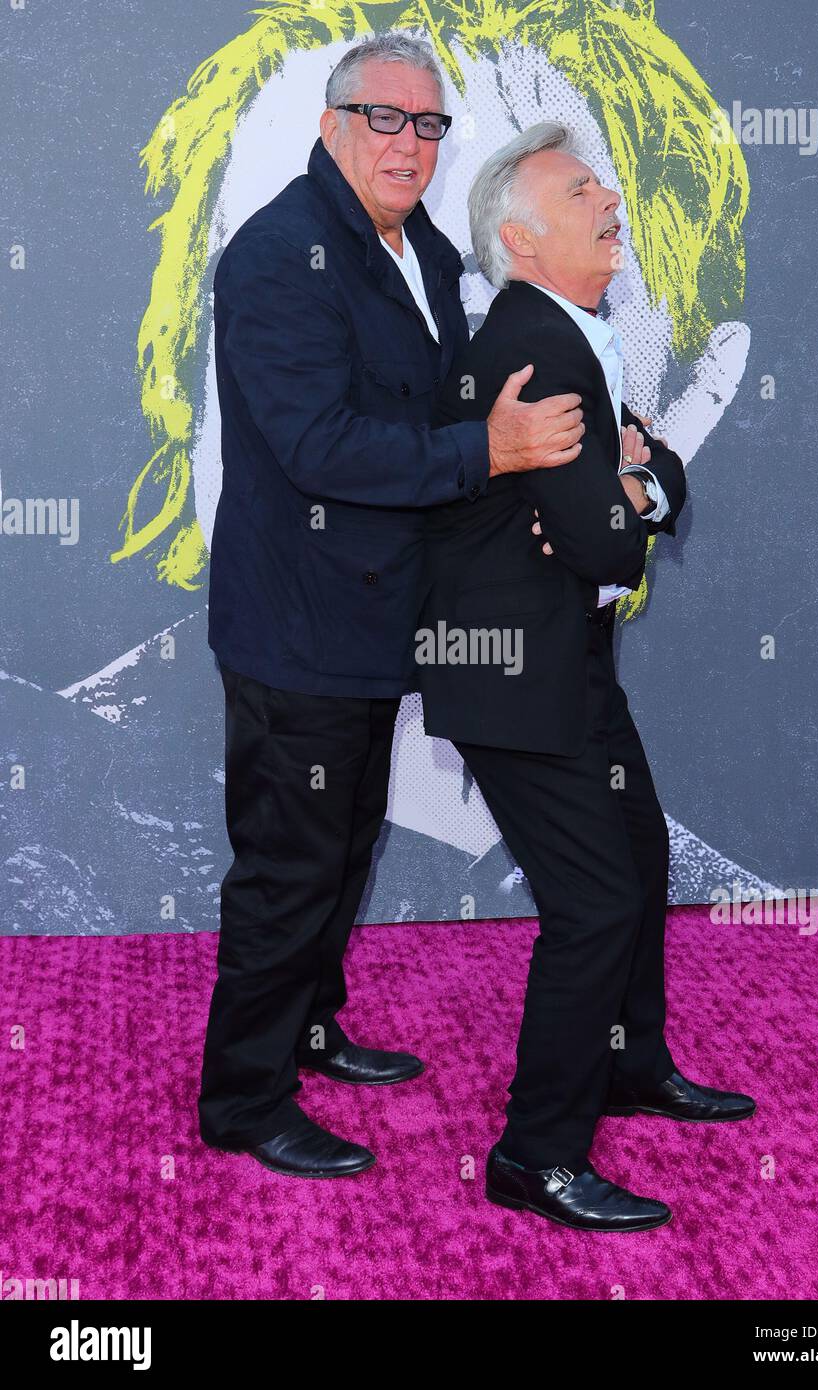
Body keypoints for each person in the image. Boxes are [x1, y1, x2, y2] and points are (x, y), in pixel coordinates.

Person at [199, 36, 585, 1179]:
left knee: (343, 842)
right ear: (331, 125)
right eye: (382, 118)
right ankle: (243, 1097)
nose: (406, 143)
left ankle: (310, 1028)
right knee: (289, 867)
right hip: (298, 624)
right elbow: (318, 445)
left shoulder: (415, 241)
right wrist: (489, 452)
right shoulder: (277, 254)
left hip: (377, 618)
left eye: (425, 126)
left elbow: (458, 386)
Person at [417, 121, 755, 1232]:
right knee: (595, 902)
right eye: (578, 188)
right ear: (519, 235)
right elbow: (613, 539)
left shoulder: (571, 335)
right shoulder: (534, 350)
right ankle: (533, 1153)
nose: (610, 196)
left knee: (639, 855)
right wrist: (638, 491)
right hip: (512, 674)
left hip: (564, 662)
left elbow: (627, 505)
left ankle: (628, 1062)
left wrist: (635, 487)